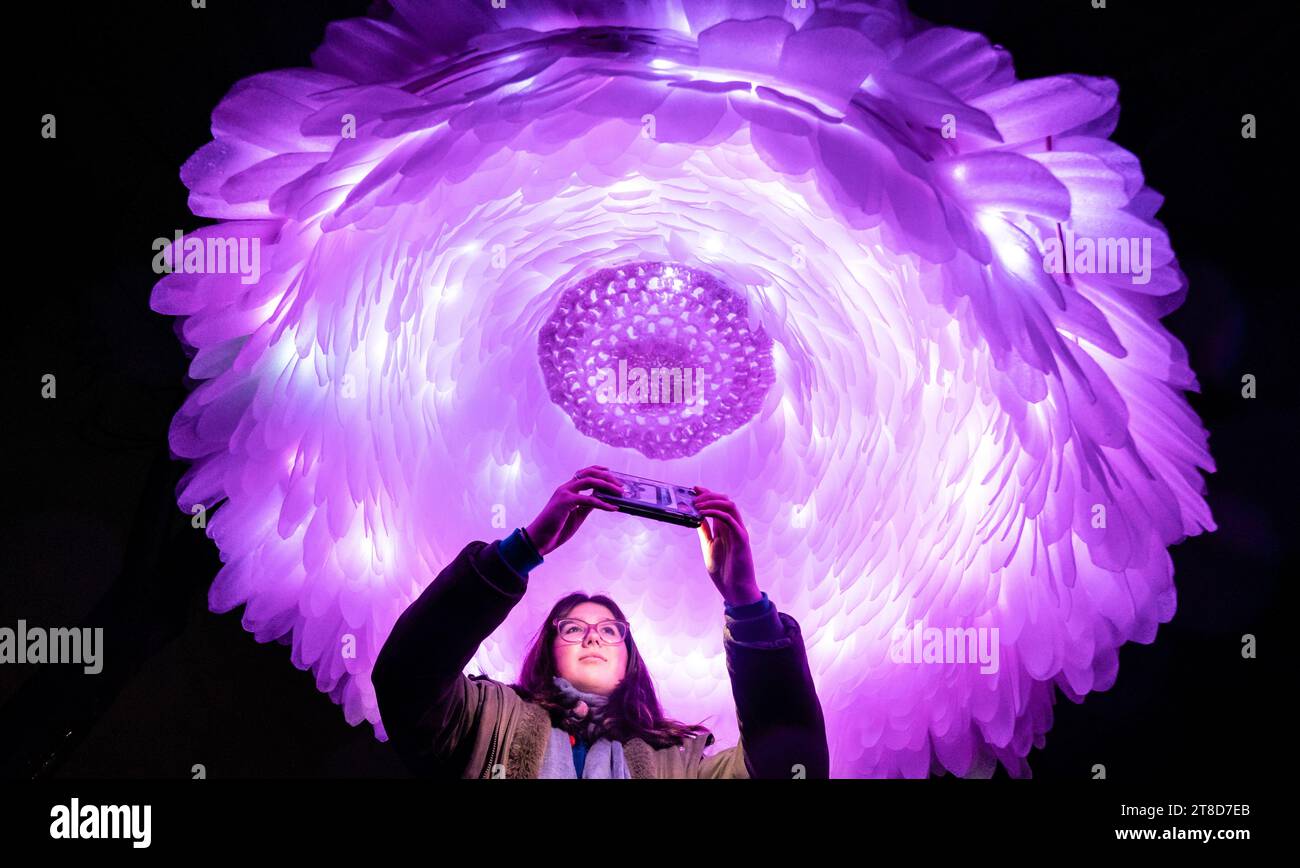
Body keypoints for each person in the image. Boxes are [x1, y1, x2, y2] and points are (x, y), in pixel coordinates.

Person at [372, 466, 829, 778]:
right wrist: (523, 548)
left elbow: (791, 766)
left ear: (630, 660)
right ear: (549, 652)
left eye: (610, 630)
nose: (593, 634)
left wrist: (746, 604)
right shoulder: (485, 717)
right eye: (573, 628)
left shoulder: (682, 766)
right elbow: (406, 678)